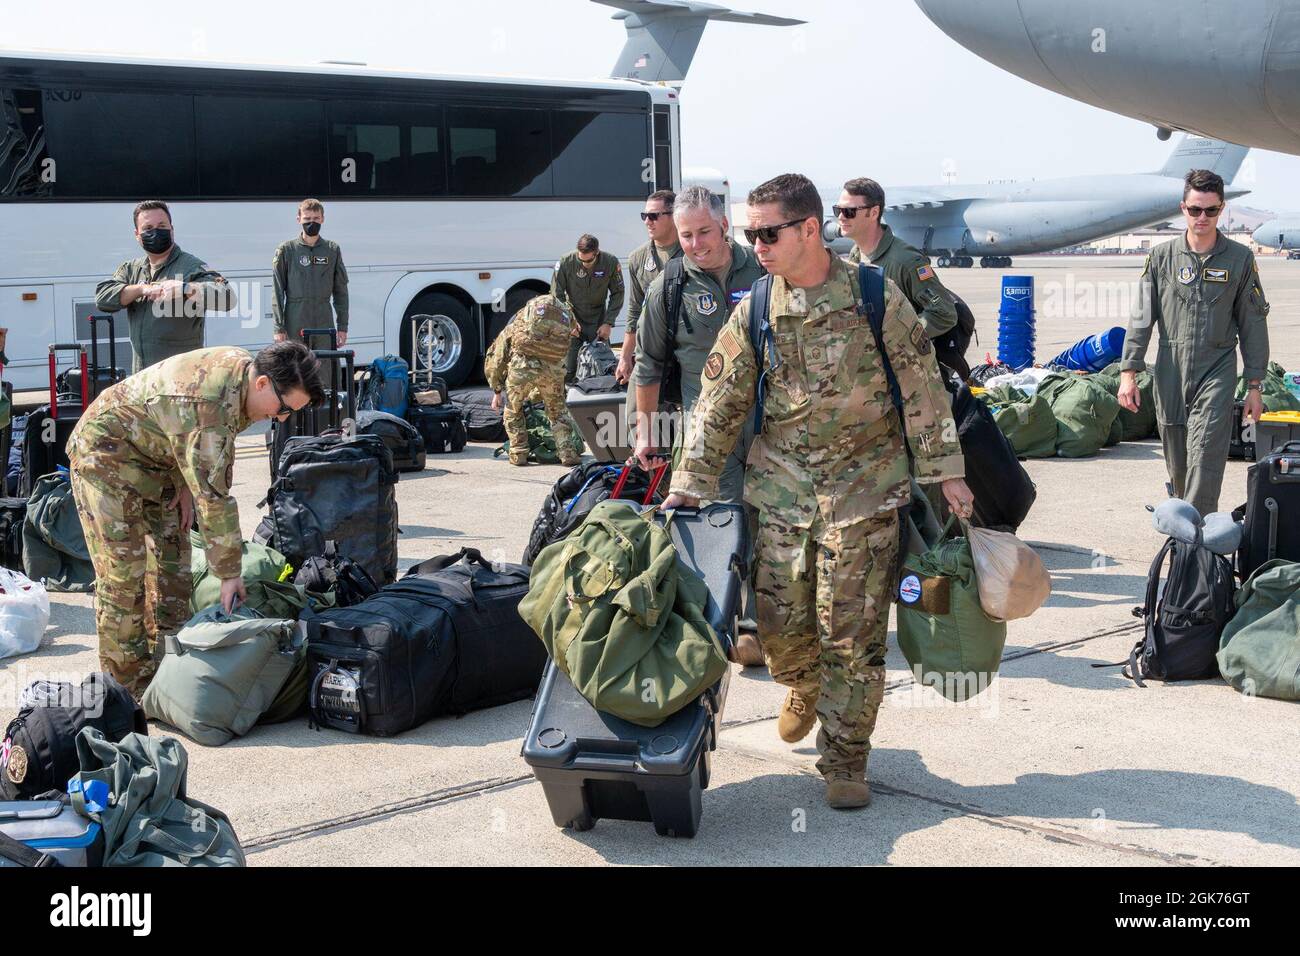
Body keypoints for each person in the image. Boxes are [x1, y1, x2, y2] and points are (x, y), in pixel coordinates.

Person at [660, 173, 974, 809]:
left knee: (851, 636)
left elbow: (921, 388)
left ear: (810, 229)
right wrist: (688, 484)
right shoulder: (753, 308)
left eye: (768, 232)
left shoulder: (874, 295)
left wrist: (948, 473)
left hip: (866, 494)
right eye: (752, 234)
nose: (758, 244)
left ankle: (845, 759)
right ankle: (800, 683)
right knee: (779, 629)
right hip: (779, 499)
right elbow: (718, 403)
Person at [68, 341, 324, 697]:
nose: (281, 419)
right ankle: (126, 689)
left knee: (175, 563)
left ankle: (169, 664)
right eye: (283, 409)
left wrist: (188, 483)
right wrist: (230, 574)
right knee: (124, 576)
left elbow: (199, 452)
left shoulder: (242, 377)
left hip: (159, 461)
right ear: (263, 383)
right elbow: (216, 498)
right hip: (106, 456)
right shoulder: (210, 403)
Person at [631, 185, 765, 665]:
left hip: (774, 424)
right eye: (685, 235)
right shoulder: (669, 286)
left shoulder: (764, 269)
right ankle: (742, 625)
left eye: (703, 232)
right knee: (731, 519)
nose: (695, 244)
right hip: (709, 431)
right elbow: (647, 364)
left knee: (776, 518)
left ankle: (775, 620)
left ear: (724, 225)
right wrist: (646, 432)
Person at [1119, 168, 1270, 516]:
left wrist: (1255, 384)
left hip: (1216, 366)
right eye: (1195, 209)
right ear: (1182, 208)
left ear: (1221, 209)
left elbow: (1253, 323)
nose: (1203, 218)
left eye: (1211, 210)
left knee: (1205, 450)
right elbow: (1142, 316)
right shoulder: (1161, 258)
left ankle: (1195, 538)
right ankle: (1184, 519)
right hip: (1170, 366)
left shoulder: (1239, 259)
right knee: (1177, 456)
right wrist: (1129, 371)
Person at [838, 178, 969, 376]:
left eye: (849, 211)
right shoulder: (856, 255)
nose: (841, 217)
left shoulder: (905, 261)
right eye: (837, 210)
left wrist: (897, 337)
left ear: (873, 213)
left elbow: (943, 313)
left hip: (910, 372)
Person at [95, 200, 237, 373]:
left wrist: (185, 289)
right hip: (143, 377)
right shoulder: (131, 269)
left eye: (161, 225)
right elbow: (102, 298)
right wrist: (141, 289)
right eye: (148, 228)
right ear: (137, 235)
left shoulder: (191, 267)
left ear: (172, 229)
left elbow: (228, 297)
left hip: (180, 379)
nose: (155, 232)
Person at [487, 294, 583, 468]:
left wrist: (496, 389)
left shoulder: (518, 323)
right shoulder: (564, 317)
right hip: (553, 370)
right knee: (558, 413)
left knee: (513, 410)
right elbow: (574, 330)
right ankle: (567, 453)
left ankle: (518, 453)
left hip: (523, 369)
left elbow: (497, 357)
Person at [272, 198, 350, 347]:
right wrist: (278, 327)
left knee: (325, 365)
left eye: (316, 218)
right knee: (296, 365)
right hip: (295, 320)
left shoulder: (332, 250)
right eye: (307, 218)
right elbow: (277, 292)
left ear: (322, 219)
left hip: (324, 319)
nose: (311, 222)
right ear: (299, 219)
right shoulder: (287, 250)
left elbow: (341, 291)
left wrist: (342, 326)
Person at [551, 234, 625, 383]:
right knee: (568, 370)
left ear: (597, 253)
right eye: (581, 260)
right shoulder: (566, 262)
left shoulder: (610, 262)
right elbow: (556, 294)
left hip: (599, 320)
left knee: (604, 367)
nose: (585, 264)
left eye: (589, 260)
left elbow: (618, 293)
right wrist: (569, 321)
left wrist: (608, 322)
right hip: (574, 319)